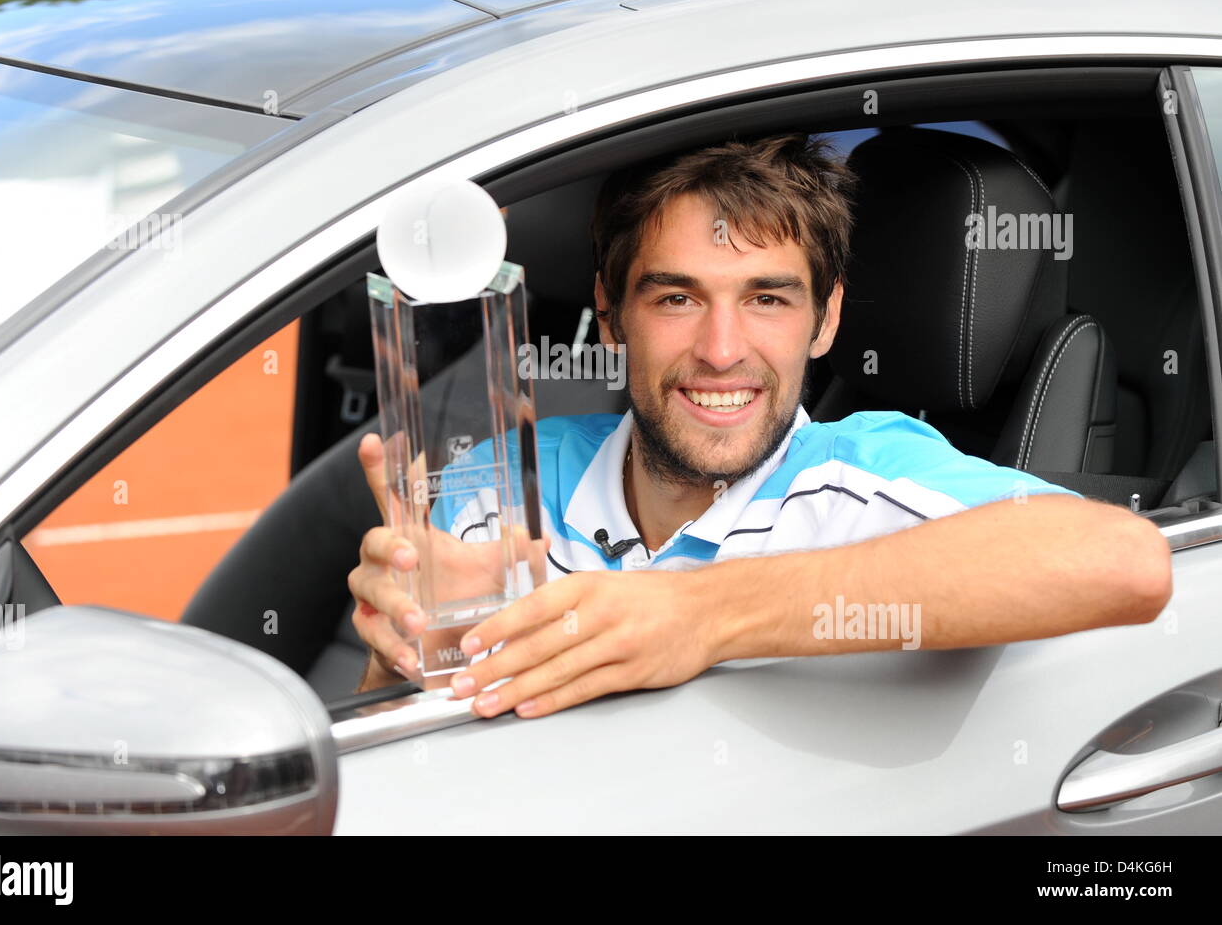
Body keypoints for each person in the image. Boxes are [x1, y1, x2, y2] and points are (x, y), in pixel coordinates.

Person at [346, 133, 1171, 720]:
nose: (721, 350)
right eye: (676, 298)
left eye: (767, 299)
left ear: (826, 319)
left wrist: (699, 616)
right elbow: (408, 756)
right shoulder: (503, 491)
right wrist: (401, 655)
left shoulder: (861, 480)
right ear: (609, 315)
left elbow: (1124, 562)